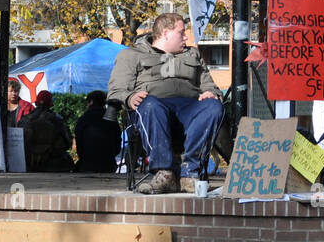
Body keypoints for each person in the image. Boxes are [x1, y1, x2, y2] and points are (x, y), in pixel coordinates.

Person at [107, 12, 224, 194]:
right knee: (150, 104)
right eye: (181, 32)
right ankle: (164, 173)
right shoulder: (131, 55)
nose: (186, 37)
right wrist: (130, 98)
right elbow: (116, 90)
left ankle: (190, 172)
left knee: (213, 106)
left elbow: (209, 84)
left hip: (189, 109)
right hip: (153, 108)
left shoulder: (193, 54)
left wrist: (211, 93)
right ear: (166, 33)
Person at [20, 90, 73, 172]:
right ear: (50, 103)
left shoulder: (25, 120)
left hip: (29, 164)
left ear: (36, 103)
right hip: (53, 165)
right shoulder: (57, 120)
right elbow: (68, 142)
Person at [73, 90, 120, 173]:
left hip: (87, 165)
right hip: (108, 165)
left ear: (91, 102)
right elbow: (117, 144)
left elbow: (79, 145)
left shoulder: (83, 119)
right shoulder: (112, 119)